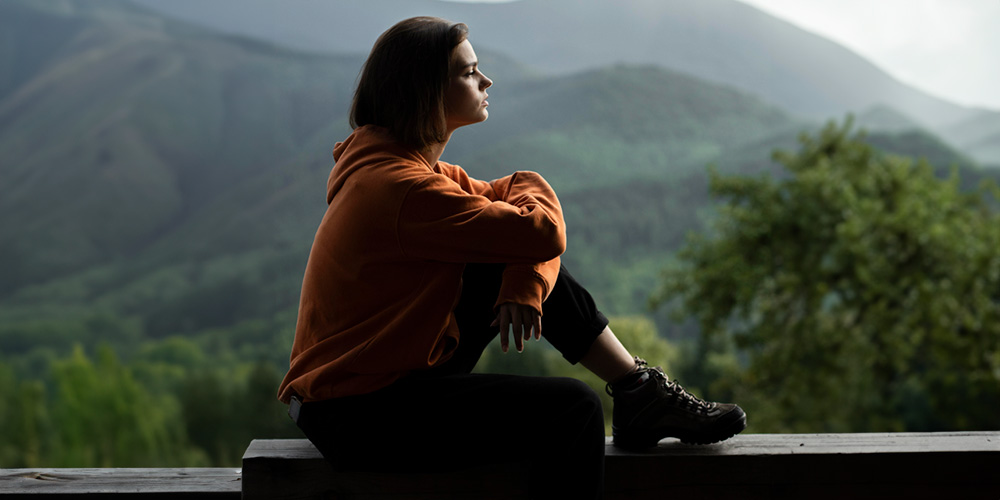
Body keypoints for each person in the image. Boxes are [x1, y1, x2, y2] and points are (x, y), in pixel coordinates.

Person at [278, 16, 746, 498]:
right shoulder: (403, 190)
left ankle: (638, 392)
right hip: (360, 415)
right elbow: (540, 230)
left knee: (501, 258)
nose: (486, 81)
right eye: (469, 72)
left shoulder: (413, 170)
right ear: (425, 93)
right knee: (573, 409)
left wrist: (523, 280)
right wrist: (523, 256)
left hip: (372, 387)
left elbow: (524, 218)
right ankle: (639, 393)